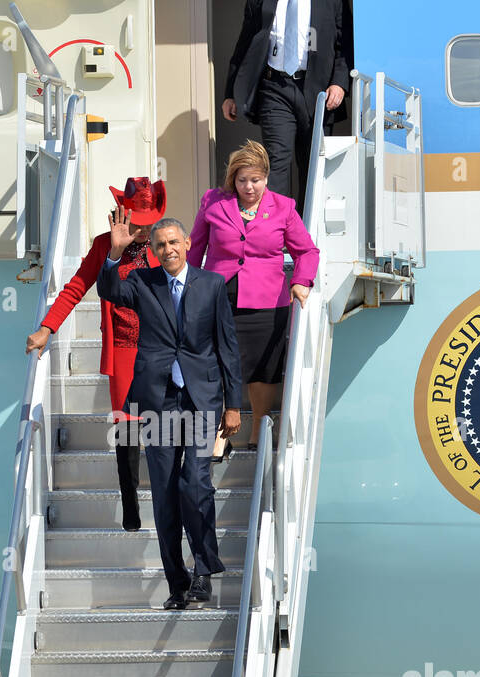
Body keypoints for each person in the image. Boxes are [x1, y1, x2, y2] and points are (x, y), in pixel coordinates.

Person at [97, 210, 242, 610]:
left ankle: (203, 570)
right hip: (158, 402)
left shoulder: (212, 284)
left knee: (194, 485)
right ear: (156, 252)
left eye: (174, 242)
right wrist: (115, 252)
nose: (168, 249)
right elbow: (109, 291)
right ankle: (178, 585)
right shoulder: (142, 281)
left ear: (187, 245)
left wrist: (234, 404)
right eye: (161, 245)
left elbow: (227, 347)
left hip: (200, 398)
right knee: (163, 494)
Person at [25, 177, 166, 531]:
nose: (143, 231)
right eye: (137, 222)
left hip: (160, 345)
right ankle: (130, 505)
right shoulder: (105, 245)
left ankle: (167, 500)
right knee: (128, 427)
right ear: (121, 214)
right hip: (122, 345)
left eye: (148, 224)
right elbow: (77, 287)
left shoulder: (165, 242)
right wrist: (47, 328)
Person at [189, 140, 319, 450]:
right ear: (232, 179)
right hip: (219, 297)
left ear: (266, 178)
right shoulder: (213, 202)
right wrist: (187, 287)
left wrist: (301, 281)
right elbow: (195, 249)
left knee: (263, 365)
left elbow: (307, 251)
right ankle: (221, 430)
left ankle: (260, 425)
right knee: (217, 360)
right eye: (242, 180)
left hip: (266, 300)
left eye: (256, 180)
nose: (249, 187)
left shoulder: (284, 206)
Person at [222, 0, 355, 207]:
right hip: (275, 87)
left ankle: (306, 233)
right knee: (276, 161)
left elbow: (345, 42)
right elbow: (245, 41)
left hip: (319, 91)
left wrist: (339, 83)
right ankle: (276, 231)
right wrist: (231, 92)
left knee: (313, 165)